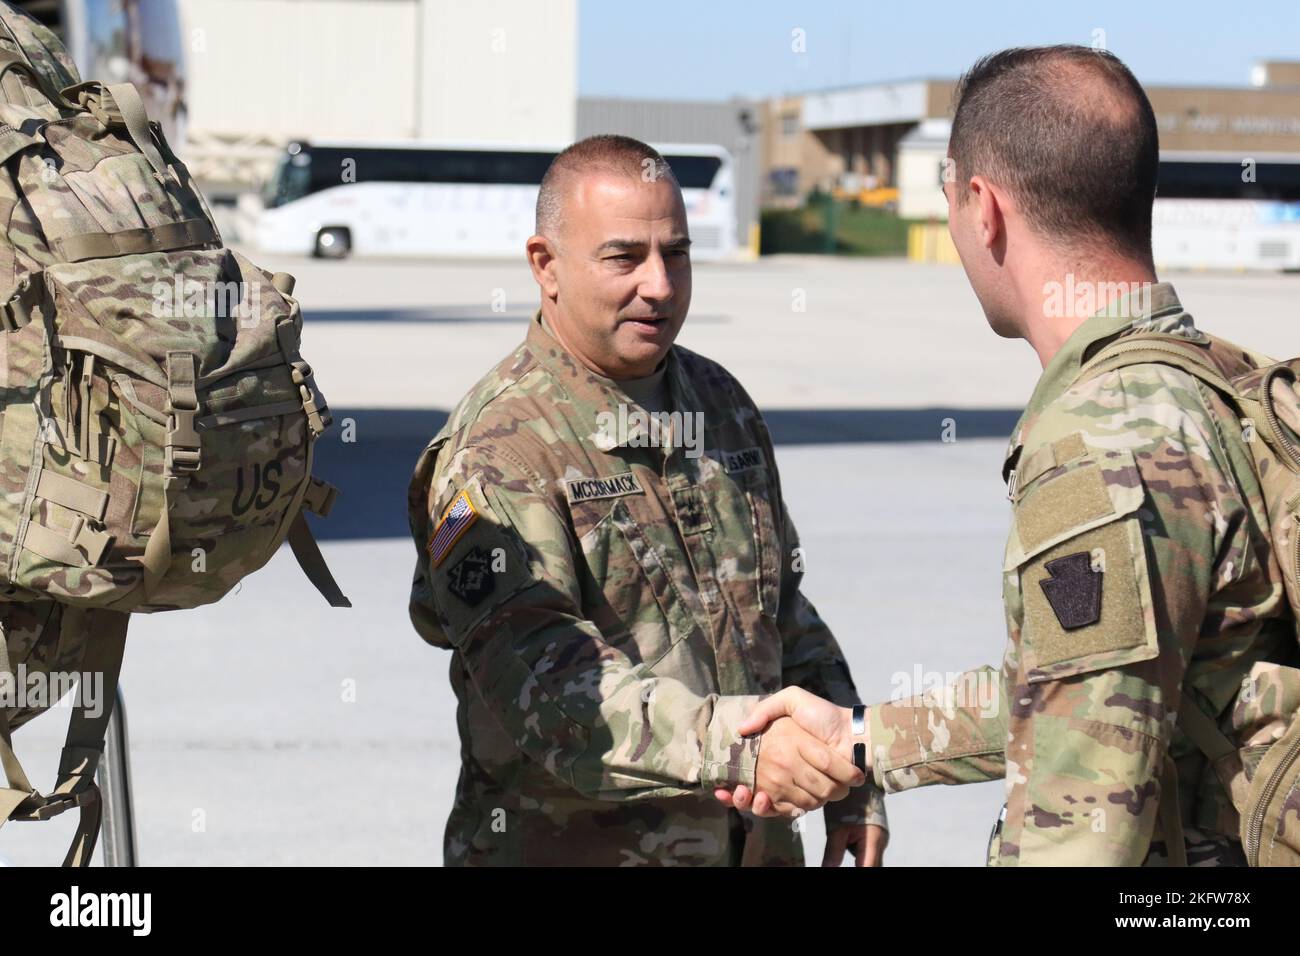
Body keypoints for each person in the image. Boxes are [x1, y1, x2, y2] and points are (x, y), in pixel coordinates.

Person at [723, 45, 1298, 866]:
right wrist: (859, 739)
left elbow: (1081, 817)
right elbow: (1089, 685)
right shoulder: (1214, 379)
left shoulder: (1101, 439)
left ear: (984, 209)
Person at [407, 134, 887, 866]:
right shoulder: (499, 452)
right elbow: (548, 685)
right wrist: (743, 749)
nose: (660, 285)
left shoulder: (720, 403)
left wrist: (850, 769)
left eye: (678, 254)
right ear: (546, 266)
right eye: (624, 257)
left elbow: (782, 609)